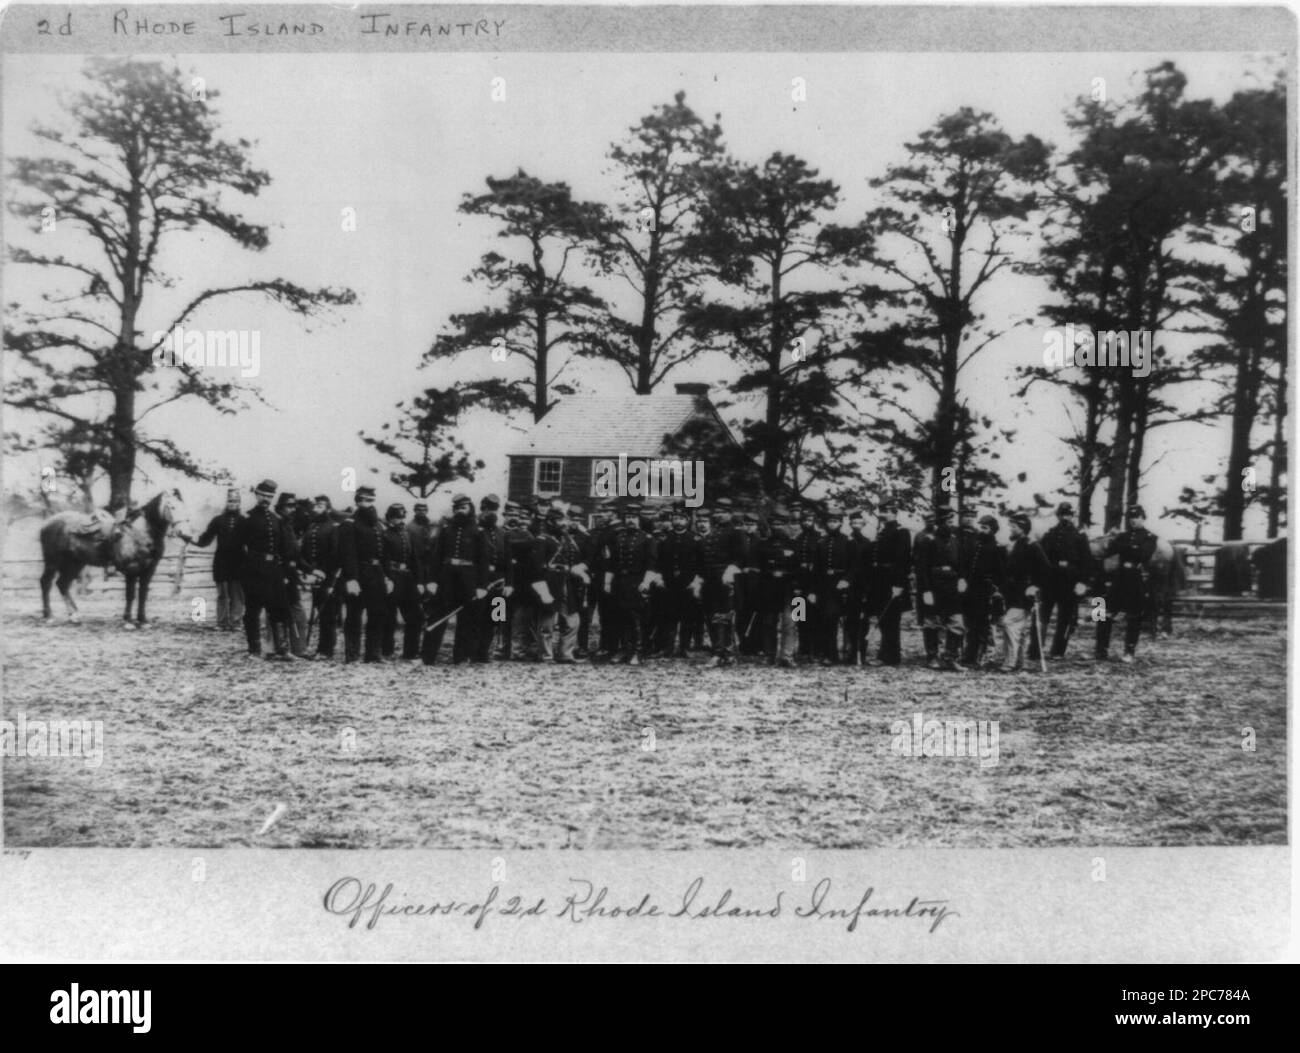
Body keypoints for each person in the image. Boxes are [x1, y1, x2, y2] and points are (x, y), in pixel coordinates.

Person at [421, 493, 488, 665]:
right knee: (437, 616)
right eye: (457, 508)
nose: (460, 511)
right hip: (447, 580)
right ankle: (427, 657)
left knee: (466, 619)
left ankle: (461, 657)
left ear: (470, 509)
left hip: (468, 581)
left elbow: (483, 561)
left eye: (463, 508)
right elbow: (436, 557)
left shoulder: (478, 532)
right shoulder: (446, 530)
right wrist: (432, 580)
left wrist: (481, 585)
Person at [233, 479, 295, 661]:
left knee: (280, 608)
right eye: (263, 495)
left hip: (274, 570)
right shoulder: (246, 518)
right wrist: (244, 571)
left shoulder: (277, 519)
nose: (266, 499)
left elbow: (284, 549)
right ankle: (254, 650)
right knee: (253, 610)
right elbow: (235, 547)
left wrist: (284, 572)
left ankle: (282, 650)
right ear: (256, 495)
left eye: (270, 496)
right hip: (254, 570)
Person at [1095, 505, 1158, 663]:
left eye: (1137, 517)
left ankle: (1129, 651)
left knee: (1134, 616)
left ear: (1143, 518)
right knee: (1102, 612)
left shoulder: (1150, 537)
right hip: (1119, 578)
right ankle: (1101, 650)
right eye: (1131, 518)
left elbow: (1143, 555)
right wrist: (1120, 544)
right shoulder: (1123, 535)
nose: (1133, 521)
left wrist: (1122, 546)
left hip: (1135, 579)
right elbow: (1109, 549)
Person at [599, 498, 656, 665]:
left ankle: (637, 652)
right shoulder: (618, 536)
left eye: (634, 517)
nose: (630, 520)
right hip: (619, 582)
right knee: (619, 617)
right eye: (628, 517)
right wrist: (607, 583)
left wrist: (646, 582)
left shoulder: (647, 538)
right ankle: (623, 650)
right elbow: (611, 562)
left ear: (639, 519)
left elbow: (651, 563)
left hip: (636, 581)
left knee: (635, 618)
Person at [337, 486, 388, 664]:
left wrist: (386, 577)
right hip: (359, 573)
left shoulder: (378, 524)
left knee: (378, 613)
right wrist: (351, 579)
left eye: (371, 500)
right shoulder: (350, 524)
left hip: (376, 574)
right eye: (364, 500)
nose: (368, 504)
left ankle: (373, 654)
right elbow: (347, 553)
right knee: (354, 615)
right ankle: (352, 655)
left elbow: (384, 554)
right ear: (357, 502)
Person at [994, 513, 1050, 673]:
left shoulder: (1033, 545)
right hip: (1012, 593)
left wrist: (1035, 586)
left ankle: (1010, 662)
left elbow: (1045, 570)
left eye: (1013, 526)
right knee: (1018, 626)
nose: (1010, 528)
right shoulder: (1017, 544)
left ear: (1022, 528)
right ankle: (1019, 661)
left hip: (1024, 593)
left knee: (1010, 623)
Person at [1037, 502, 1092, 658]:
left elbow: (1087, 561)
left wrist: (1082, 582)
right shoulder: (1050, 534)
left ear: (1072, 515)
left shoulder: (1079, 536)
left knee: (1065, 618)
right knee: (1043, 616)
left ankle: (1058, 651)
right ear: (1058, 516)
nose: (1065, 517)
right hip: (1051, 581)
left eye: (1068, 514)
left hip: (1070, 582)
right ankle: (1036, 649)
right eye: (1062, 514)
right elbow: (1042, 557)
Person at [916, 507, 967, 670]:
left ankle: (951, 657)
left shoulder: (955, 541)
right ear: (941, 523)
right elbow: (921, 569)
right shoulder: (928, 541)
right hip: (934, 586)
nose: (951, 524)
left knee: (957, 622)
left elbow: (961, 564)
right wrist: (926, 591)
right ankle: (932, 657)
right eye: (949, 521)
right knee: (931, 622)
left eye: (952, 521)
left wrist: (962, 580)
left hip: (952, 587)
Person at [698, 504, 746, 668]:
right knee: (712, 615)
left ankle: (725, 653)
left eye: (723, 512)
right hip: (711, 579)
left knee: (724, 616)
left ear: (730, 514)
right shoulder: (712, 534)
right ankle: (720, 652)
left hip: (726, 578)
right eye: (717, 512)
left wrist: (730, 571)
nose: (719, 515)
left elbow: (741, 556)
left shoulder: (736, 532)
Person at [653, 503, 703, 659]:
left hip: (687, 583)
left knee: (688, 617)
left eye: (681, 518)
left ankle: (684, 648)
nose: (678, 521)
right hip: (668, 583)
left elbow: (701, 563)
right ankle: (667, 648)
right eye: (675, 518)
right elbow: (657, 561)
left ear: (687, 521)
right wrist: (659, 576)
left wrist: (696, 581)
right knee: (668, 617)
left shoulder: (695, 539)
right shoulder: (664, 538)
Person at [194, 487, 245, 630]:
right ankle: (221, 622)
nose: (232, 503)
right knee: (222, 594)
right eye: (230, 500)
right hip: (221, 562)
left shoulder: (244, 521)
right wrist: (189, 538)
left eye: (235, 501)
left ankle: (236, 622)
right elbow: (205, 540)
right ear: (226, 502)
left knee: (237, 595)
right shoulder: (217, 520)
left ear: (239, 503)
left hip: (239, 563)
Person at [299, 496, 341, 661]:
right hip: (314, 575)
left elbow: (335, 554)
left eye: (320, 505)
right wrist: (309, 569)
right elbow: (304, 551)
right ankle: (320, 647)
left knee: (327, 613)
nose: (316, 508)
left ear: (328, 509)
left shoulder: (333, 527)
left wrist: (322, 572)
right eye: (315, 505)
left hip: (329, 576)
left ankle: (326, 649)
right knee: (318, 609)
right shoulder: (312, 527)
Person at [758, 507, 801, 668]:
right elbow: (759, 568)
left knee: (793, 622)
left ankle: (788, 656)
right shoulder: (763, 545)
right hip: (770, 589)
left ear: (786, 525)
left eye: (780, 524)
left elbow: (801, 568)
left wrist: (796, 585)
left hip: (794, 590)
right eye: (774, 524)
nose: (777, 527)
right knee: (769, 622)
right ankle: (769, 655)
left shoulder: (795, 544)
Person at [959, 509, 1001, 668]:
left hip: (985, 591)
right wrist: (963, 579)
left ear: (992, 530)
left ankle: (982, 657)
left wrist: (996, 591)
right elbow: (966, 563)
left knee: (983, 625)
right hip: (971, 589)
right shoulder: (975, 543)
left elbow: (999, 573)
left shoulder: (996, 548)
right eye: (981, 527)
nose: (982, 531)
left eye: (985, 528)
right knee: (971, 624)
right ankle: (969, 655)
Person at [381, 503, 423, 660]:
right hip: (392, 576)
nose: (399, 520)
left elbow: (415, 559)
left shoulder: (407, 534)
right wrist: (386, 578)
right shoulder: (384, 535)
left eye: (401, 517)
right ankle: (387, 651)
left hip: (407, 577)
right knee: (389, 617)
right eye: (395, 518)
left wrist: (419, 581)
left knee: (415, 616)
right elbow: (382, 559)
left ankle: (411, 652)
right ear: (389, 519)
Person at [871, 501, 911, 667]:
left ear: (894, 513)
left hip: (894, 581)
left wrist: (898, 584)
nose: (883, 514)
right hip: (880, 580)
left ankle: (892, 657)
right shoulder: (882, 531)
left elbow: (903, 559)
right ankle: (884, 654)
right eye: (881, 511)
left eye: (886, 512)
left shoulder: (901, 531)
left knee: (892, 620)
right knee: (883, 618)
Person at [472, 494, 510, 663]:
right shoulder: (474, 531)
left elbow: (509, 562)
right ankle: (473, 652)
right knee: (477, 617)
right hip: (479, 582)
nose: (491, 513)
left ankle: (487, 651)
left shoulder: (502, 533)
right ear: (481, 509)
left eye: (494, 509)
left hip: (499, 583)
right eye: (487, 509)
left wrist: (510, 582)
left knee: (497, 617)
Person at [814, 506, 854, 665]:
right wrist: (814, 590)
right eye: (830, 521)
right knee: (825, 619)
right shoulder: (821, 542)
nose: (832, 524)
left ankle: (848, 654)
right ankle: (829, 654)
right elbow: (816, 568)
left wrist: (847, 579)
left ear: (841, 523)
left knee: (839, 619)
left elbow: (854, 565)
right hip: (825, 585)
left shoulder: (848, 541)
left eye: (835, 521)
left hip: (842, 585)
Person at [843, 510, 874, 665]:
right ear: (850, 524)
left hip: (862, 587)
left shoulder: (867, 543)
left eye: (859, 523)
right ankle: (849, 651)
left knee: (863, 622)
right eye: (853, 523)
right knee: (849, 621)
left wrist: (867, 588)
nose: (856, 526)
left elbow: (869, 568)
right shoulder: (845, 541)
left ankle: (861, 653)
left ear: (863, 525)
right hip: (847, 586)